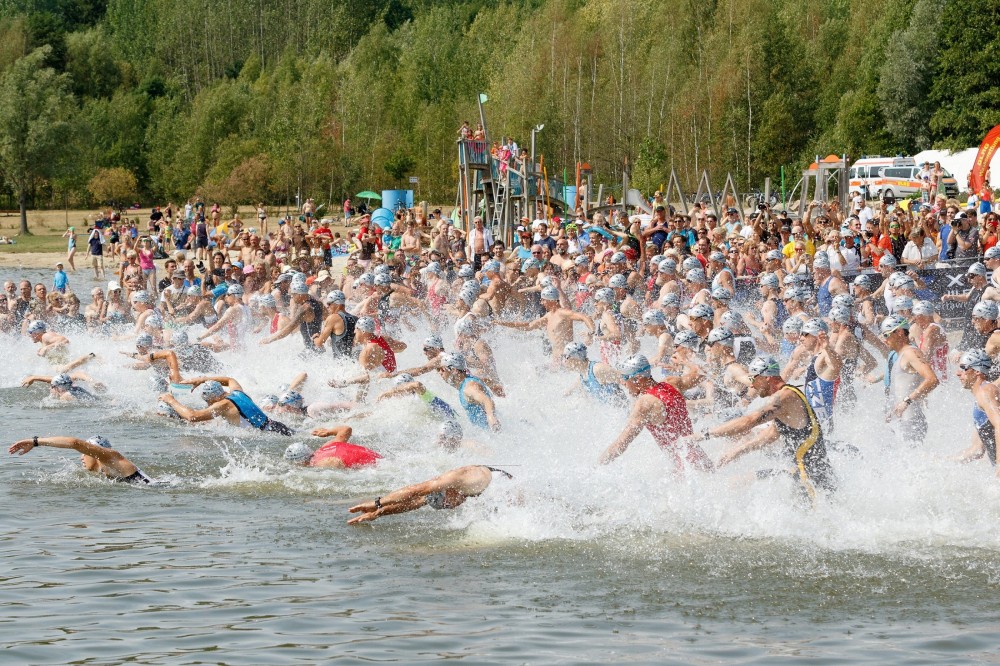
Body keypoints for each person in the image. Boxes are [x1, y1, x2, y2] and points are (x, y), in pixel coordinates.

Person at [699, 356, 836, 500]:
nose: (751, 386)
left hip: (811, 478)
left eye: (753, 379)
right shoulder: (788, 394)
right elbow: (772, 434)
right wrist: (738, 451)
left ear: (767, 377)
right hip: (807, 472)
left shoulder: (784, 396)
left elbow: (749, 421)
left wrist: (705, 434)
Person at [598, 354, 712, 471]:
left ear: (638, 378)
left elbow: (621, 443)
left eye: (625, 377)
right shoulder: (671, 383)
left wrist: (597, 466)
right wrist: (684, 362)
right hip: (701, 460)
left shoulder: (644, 403)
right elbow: (701, 373)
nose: (622, 382)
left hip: (684, 467)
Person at [346, 465, 512, 524]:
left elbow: (416, 490)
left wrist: (377, 502)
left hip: (504, 484)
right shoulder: (451, 492)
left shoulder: (459, 478)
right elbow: (413, 502)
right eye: (446, 507)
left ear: (449, 491)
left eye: (447, 504)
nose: (450, 508)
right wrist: (377, 513)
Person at [870, 315, 939, 444]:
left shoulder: (911, 353)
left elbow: (932, 379)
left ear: (900, 332)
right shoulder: (900, 354)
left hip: (911, 422)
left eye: (886, 335)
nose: (884, 340)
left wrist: (907, 401)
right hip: (901, 422)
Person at [158, 376, 293, 435]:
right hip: (278, 426)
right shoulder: (238, 393)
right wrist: (202, 380)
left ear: (215, 397)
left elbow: (193, 416)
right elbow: (229, 380)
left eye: (209, 402)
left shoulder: (224, 404)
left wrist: (171, 400)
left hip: (269, 435)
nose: (209, 405)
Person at [9, 435, 152, 484]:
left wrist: (35, 441)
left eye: (85, 452)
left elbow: (74, 443)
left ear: (95, 452)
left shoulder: (111, 457)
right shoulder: (104, 469)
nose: (81, 457)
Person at [438, 352, 501, 432]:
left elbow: (486, 400)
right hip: (485, 433)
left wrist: (491, 418)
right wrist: (494, 386)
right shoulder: (467, 381)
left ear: (454, 370)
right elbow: (483, 380)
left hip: (491, 431)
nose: (439, 373)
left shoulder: (469, 387)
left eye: (442, 369)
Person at [561, 341, 627, 406]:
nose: (563, 361)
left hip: (622, 410)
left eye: (565, 356)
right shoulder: (583, 375)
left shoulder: (598, 370)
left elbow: (626, 379)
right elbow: (570, 391)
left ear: (575, 358)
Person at [283, 425, 381, 469]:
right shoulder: (325, 447)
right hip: (379, 459)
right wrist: (328, 432)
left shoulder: (318, 463)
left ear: (301, 462)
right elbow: (346, 429)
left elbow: (335, 462)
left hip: (376, 467)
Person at [20, 372, 97, 402]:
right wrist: (34, 377)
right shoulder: (73, 388)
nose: (49, 388)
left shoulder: (66, 396)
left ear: (57, 387)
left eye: (51, 386)